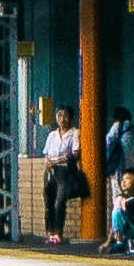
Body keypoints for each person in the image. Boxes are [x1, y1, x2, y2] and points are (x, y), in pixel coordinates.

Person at [38, 98, 91, 241]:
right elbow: (46, 154)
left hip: (65, 172)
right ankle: (49, 232)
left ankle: (58, 233)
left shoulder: (74, 133)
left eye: (65, 115)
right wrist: (48, 163)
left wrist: (57, 160)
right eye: (59, 115)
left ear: (70, 117)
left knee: (59, 202)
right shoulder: (52, 135)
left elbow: (74, 154)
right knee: (48, 200)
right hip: (51, 171)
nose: (62, 119)